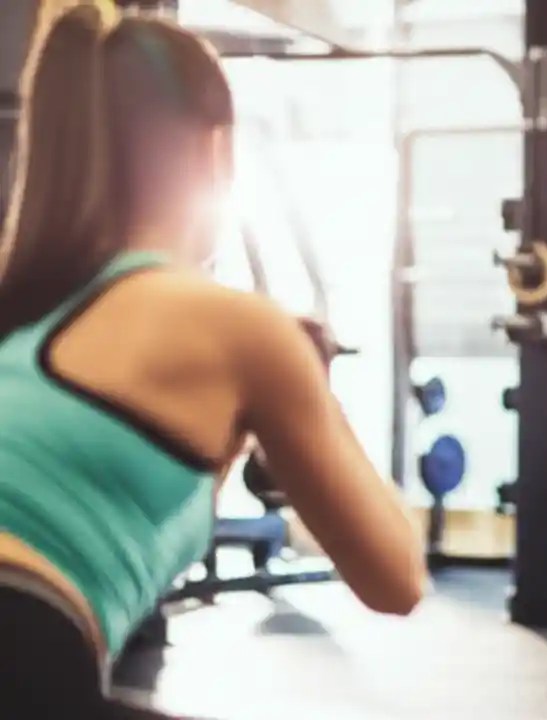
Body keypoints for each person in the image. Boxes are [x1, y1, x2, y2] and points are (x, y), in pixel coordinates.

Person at [0, 5, 427, 718]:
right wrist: (303, 387)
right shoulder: (235, 327)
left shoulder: (23, 314)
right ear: (215, 149)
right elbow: (397, 578)